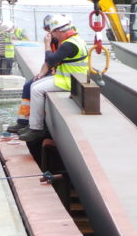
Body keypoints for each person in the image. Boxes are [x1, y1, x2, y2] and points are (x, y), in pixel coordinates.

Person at [17, 14, 89, 144]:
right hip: (72, 78)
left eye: (53, 32)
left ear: (57, 31)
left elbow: (51, 59)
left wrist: (47, 44)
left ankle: (36, 128)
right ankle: (32, 124)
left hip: (69, 81)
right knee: (33, 86)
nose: (53, 35)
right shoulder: (76, 40)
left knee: (37, 90)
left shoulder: (69, 45)